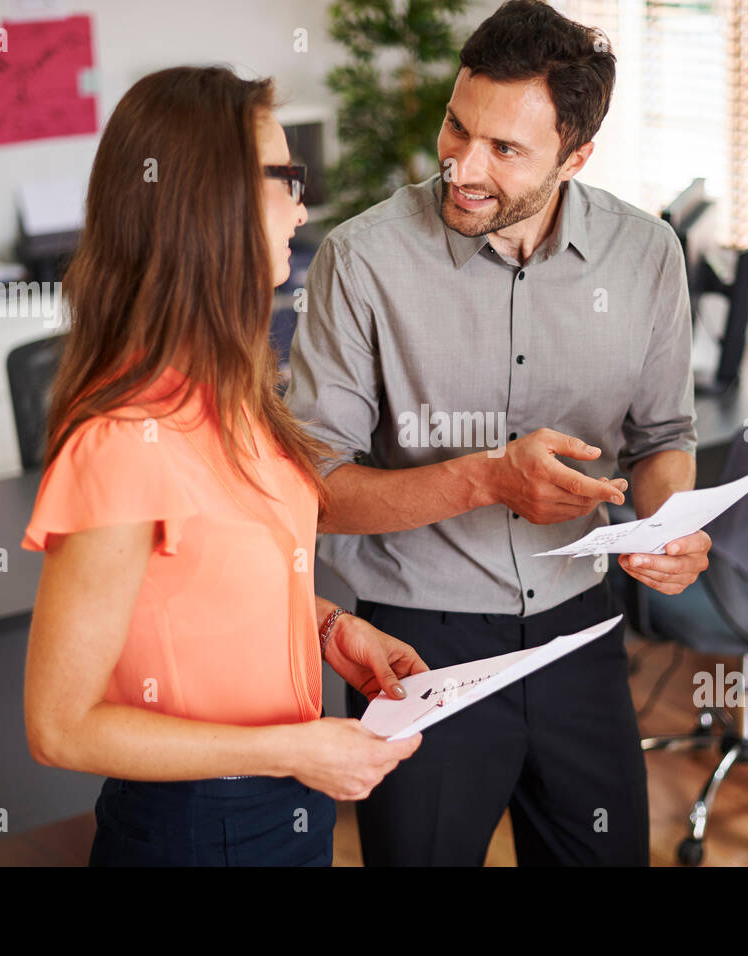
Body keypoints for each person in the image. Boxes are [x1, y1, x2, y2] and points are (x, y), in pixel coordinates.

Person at [284, 0, 710, 866]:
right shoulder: (360, 262)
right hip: (415, 647)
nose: (463, 166)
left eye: (505, 150)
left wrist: (674, 527)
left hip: (580, 630)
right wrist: (483, 479)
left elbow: (664, 435)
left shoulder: (646, 255)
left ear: (577, 156)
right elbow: (313, 494)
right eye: (456, 126)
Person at [21, 66, 426, 867]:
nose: (303, 208)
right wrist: (295, 750)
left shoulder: (232, 391)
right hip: (200, 824)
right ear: (215, 200)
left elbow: (205, 588)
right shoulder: (122, 440)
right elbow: (59, 726)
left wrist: (331, 628)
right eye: (286, 179)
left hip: (284, 798)